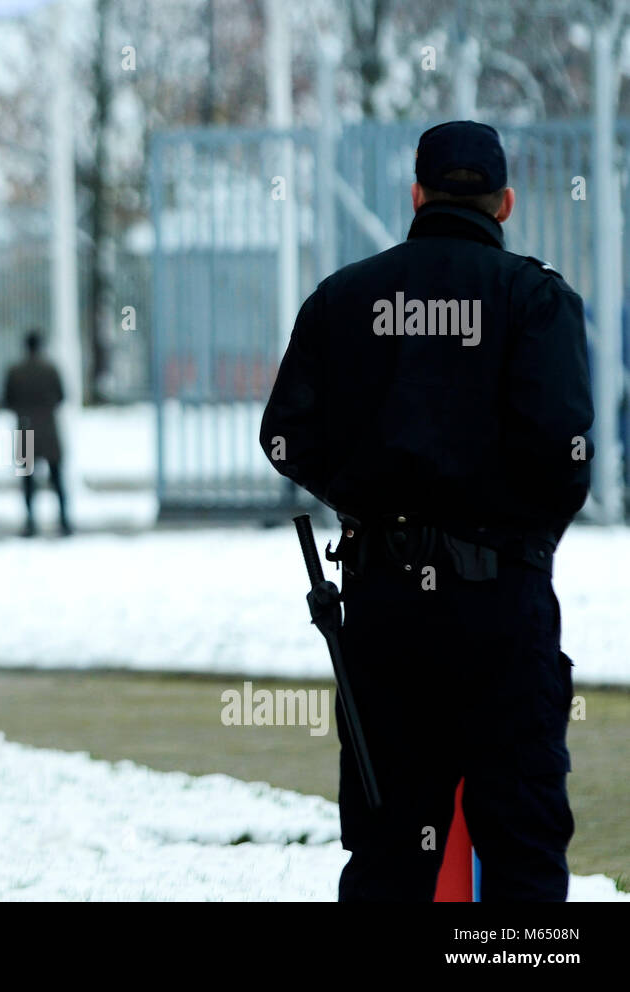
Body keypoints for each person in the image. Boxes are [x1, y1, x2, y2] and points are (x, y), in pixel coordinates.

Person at [260, 121, 593, 902]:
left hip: (384, 609)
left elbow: (283, 435)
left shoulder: (345, 298)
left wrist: (370, 502)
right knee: (522, 842)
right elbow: (564, 450)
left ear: (416, 195)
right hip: (503, 608)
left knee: (388, 849)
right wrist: (516, 533)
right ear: (504, 202)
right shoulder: (536, 299)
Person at [3, 329, 71, 536]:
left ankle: (30, 521)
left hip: (25, 428)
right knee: (57, 477)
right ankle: (64, 520)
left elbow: (7, 400)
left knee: (28, 480)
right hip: (48, 429)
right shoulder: (50, 370)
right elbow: (61, 396)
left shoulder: (15, 371)